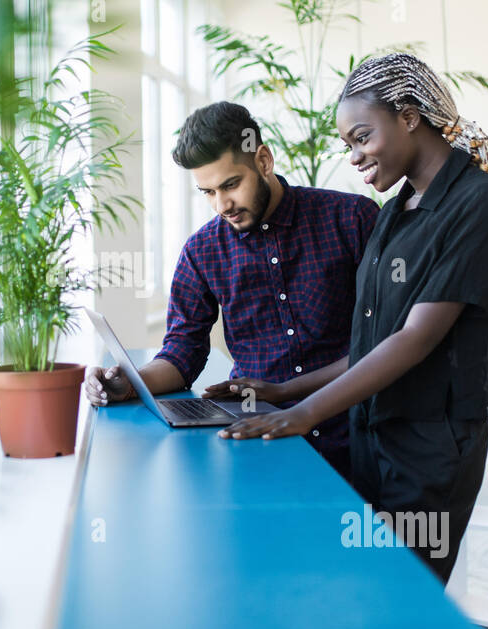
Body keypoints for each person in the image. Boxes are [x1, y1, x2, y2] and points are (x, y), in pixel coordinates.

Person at [214, 53, 488, 586]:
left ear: (408, 116)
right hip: (371, 440)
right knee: (364, 603)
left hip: (429, 453)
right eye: (347, 145)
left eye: (361, 138)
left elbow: (417, 338)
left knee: (404, 611)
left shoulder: (481, 201)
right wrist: (284, 393)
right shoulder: (394, 213)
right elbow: (373, 343)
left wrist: (306, 412)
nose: (353, 156)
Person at [84, 101, 379, 481]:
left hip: (358, 436)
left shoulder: (352, 219)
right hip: (260, 444)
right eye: (207, 192)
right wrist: (128, 382)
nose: (222, 205)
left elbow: (383, 341)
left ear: (264, 160)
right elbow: (182, 352)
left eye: (230, 185)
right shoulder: (201, 251)